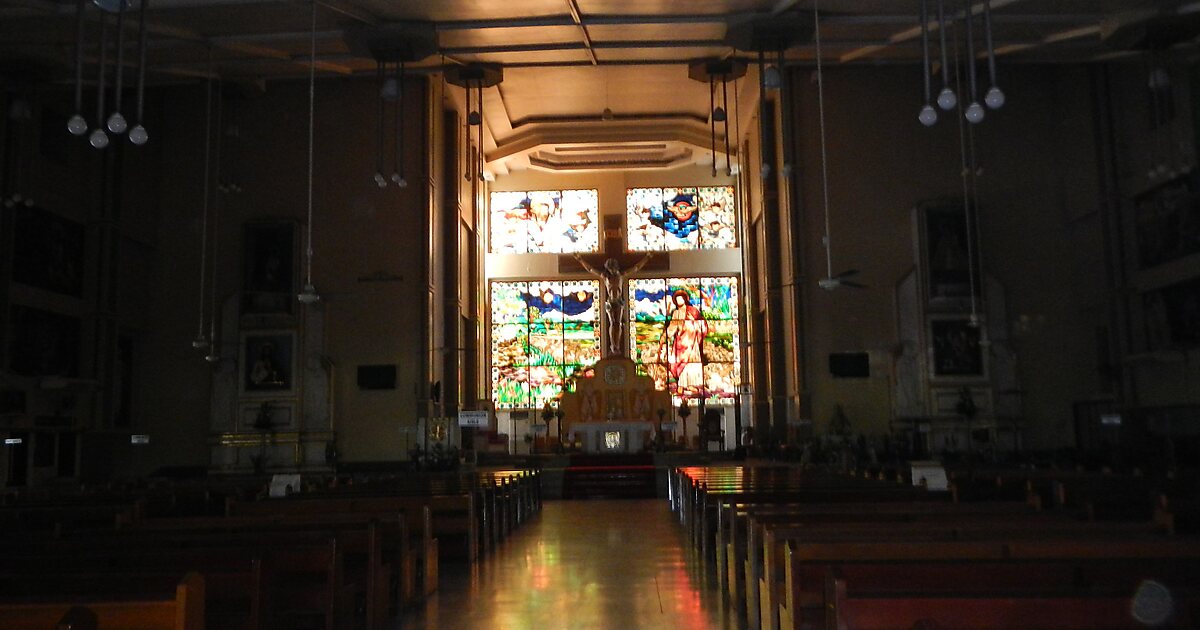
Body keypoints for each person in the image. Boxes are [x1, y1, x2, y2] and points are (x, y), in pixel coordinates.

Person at [574, 253, 654, 357]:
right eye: (610, 268)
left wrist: (647, 257)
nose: (612, 270)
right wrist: (580, 259)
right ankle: (613, 346)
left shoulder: (621, 275)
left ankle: (617, 346)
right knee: (612, 323)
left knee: (618, 323)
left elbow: (636, 268)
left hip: (619, 301)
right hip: (610, 302)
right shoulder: (605, 277)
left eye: (613, 268)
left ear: (616, 267)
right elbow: (590, 269)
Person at [658, 289, 707, 394]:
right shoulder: (676, 313)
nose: (679, 300)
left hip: (692, 342)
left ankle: (690, 385)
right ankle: (681, 384)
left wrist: (693, 322)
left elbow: (703, 324)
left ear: (685, 299)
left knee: (692, 363)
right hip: (681, 341)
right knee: (680, 362)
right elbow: (672, 327)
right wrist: (664, 336)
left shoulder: (693, 310)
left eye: (681, 298)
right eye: (677, 299)